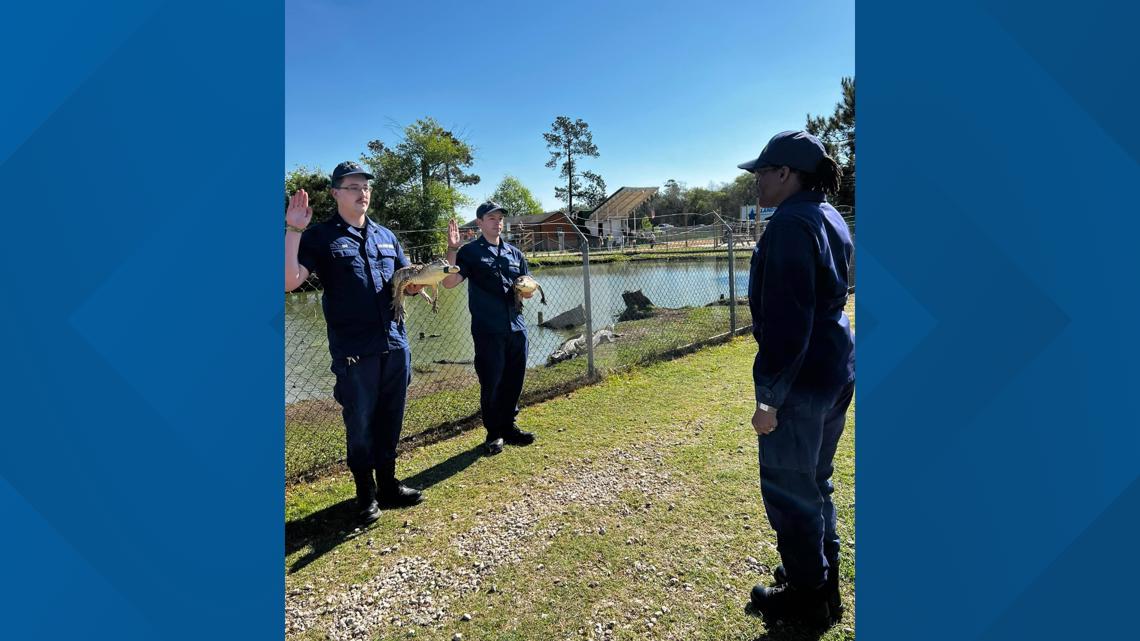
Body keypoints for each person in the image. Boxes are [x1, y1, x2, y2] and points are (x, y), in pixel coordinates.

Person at [738, 131, 855, 626]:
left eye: (762, 173)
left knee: (790, 489)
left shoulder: (790, 225)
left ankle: (807, 601)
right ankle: (821, 582)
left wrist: (769, 400)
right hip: (835, 371)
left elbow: (789, 324)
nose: (757, 182)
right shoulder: (828, 216)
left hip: (802, 384)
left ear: (786, 174)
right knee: (817, 480)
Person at [285, 161, 426, 524]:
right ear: (335, 193)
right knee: (360, 421)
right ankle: (365, 494)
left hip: (395, 344)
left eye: (365, 186)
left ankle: (389, 484)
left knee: (391, 418)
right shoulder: (319, 236)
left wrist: (419, 282)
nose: (362, 192)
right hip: (354, 351)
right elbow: (290, 281)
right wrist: (292, 230)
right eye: (352, 186)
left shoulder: (386, 236)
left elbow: (407, 281)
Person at [441, 202, 537, 456]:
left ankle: (509, 426)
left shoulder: (515, 254)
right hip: (488, 330)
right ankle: (494, 433)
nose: (497, 222)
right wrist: (452, 249)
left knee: (514, 380)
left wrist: (527, 291)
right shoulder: (470, 253)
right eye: (491, 218)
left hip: (516, 327)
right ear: (480, 223)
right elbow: (450, 282)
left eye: (500, 218)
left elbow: (527, 287)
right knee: (492, 382)